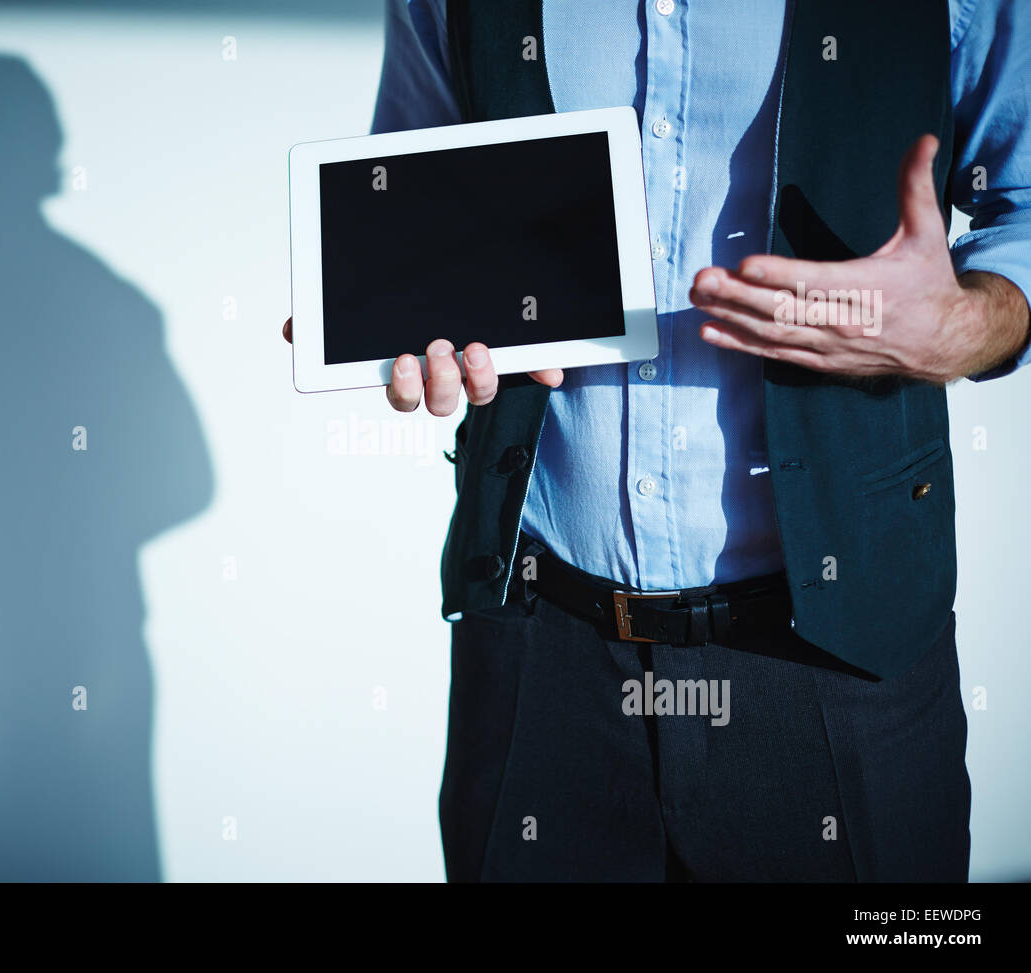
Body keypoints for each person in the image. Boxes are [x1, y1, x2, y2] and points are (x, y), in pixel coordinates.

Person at [286, 0, 1030, 881]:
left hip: (841, 663)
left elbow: (1021, 208)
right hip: (538, 659)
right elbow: (418, 194)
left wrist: (962, 328)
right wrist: (414, 319)